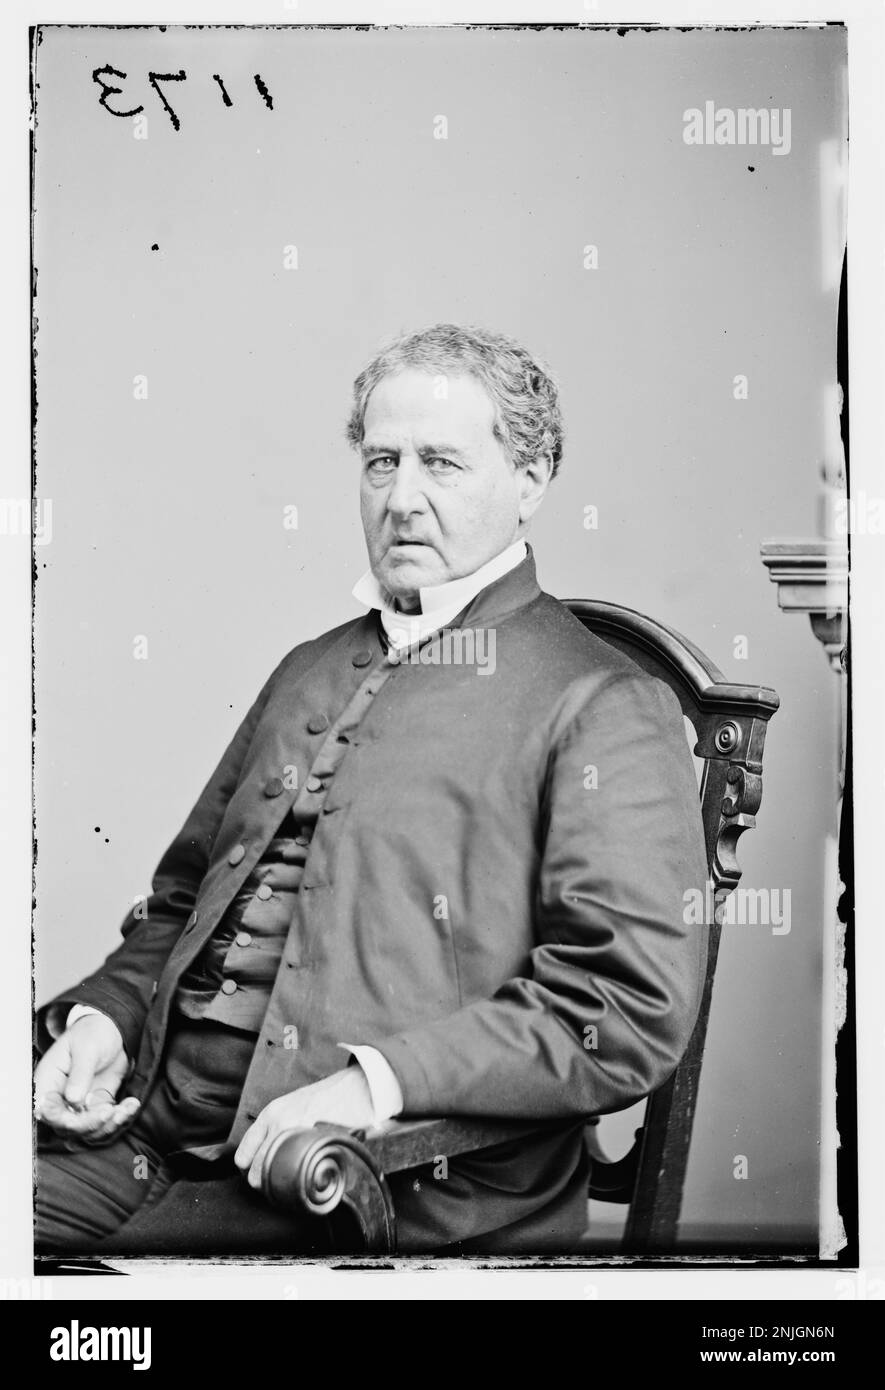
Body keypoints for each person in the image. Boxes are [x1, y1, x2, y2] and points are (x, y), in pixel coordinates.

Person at [34, 323, 708, 1256]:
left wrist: (377, 1081)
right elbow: (182, 903)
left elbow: (619, 1004)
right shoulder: (309, 666)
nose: (403, 498)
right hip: (142, 1137)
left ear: (532, 480)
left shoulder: (600, 702)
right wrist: (107, 1017)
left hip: (373, 1191)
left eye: (441, 462)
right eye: (381, 462)